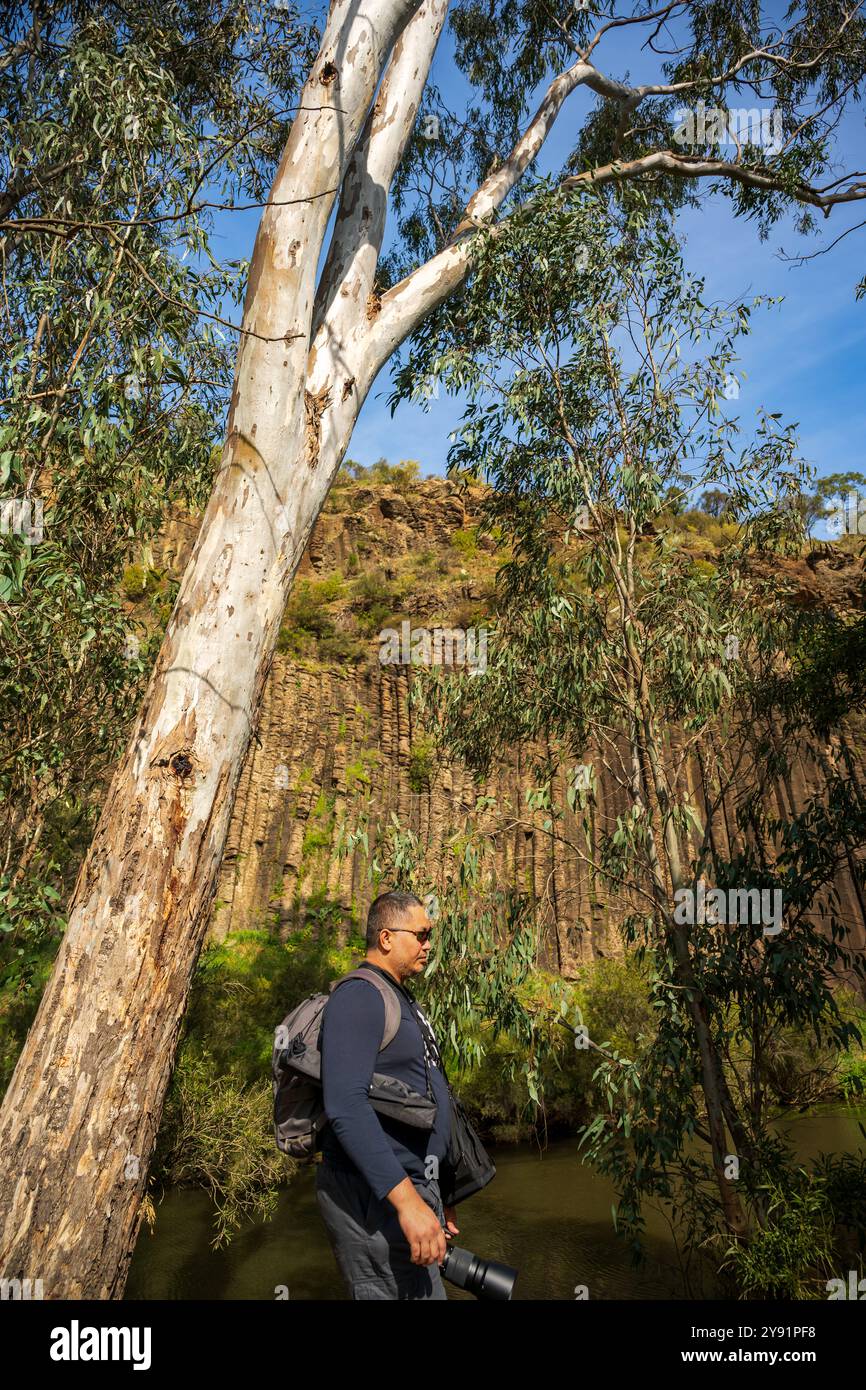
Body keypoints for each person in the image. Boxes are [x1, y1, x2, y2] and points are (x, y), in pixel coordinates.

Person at [316, 890, 460, 1299]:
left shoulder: (402, 999)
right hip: (375, 1198)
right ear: (386, 938)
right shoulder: (359, 996)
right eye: (421, 934)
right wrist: (407, 1203)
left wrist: (438, 1192)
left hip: (414, 1191)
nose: (428, 944)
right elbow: (345, 1106)